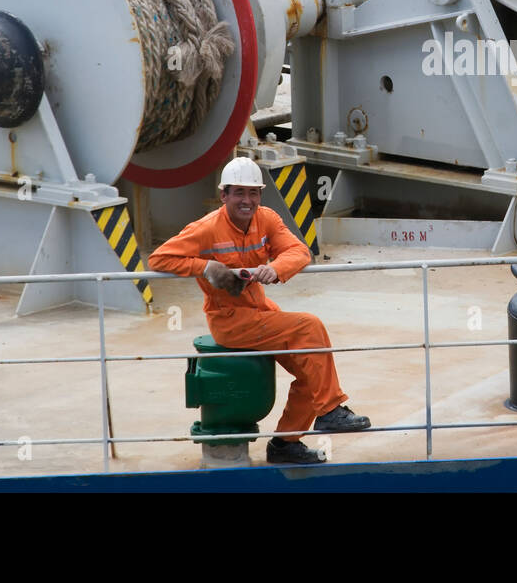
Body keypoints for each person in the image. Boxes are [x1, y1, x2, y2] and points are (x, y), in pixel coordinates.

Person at [148, 156, 369, 465]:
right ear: (223, 195)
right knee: (309, 326)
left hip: (260, 311)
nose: (247, 201)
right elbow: (160, 259)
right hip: (229, 321)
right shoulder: (205, 229)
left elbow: (299, 252)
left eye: (253, 193)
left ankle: (285, 444)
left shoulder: (267, 220)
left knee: (311, 369)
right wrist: (207, 267)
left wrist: (274, 269)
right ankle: (330, 410)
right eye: (239, 193)